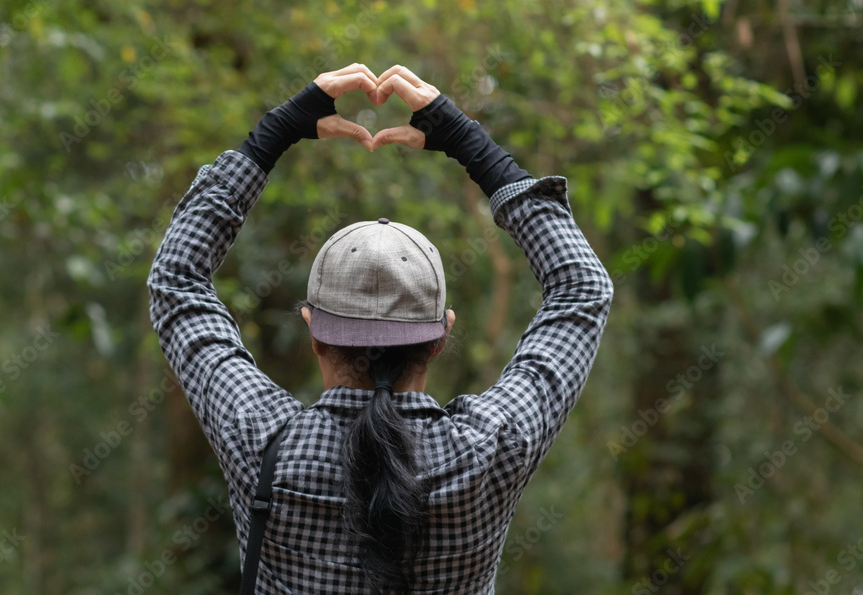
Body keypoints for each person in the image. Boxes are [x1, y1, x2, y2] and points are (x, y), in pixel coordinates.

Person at [147, 63, 614, 594]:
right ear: (442, 336)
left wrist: (270, 137)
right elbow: (582, 289)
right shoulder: (487, 453)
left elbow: (177, 280)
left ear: (313, 331)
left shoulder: (261, 440)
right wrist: (475, 148)